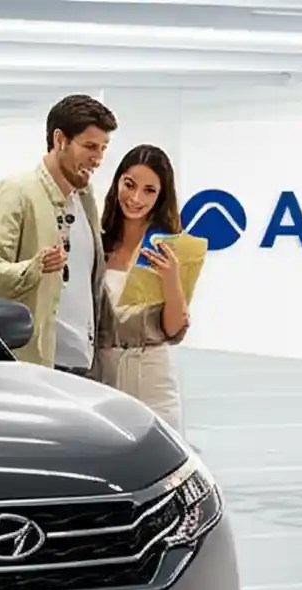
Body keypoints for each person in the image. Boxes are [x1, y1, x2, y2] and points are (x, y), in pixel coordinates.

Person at [0, 94, 117, 373]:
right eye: (90, 146)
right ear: (60, 139)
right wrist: (35, 267)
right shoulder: (17, 191)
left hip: (84, 367)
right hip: (39, 367)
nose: (98, 159)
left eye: (103, 148)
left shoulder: (85, 199)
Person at [92, 144, 193, 435]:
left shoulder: (172, 247)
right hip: (103, 374)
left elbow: (174, 329)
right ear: (118, 183)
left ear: (161, 196)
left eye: (149, 190)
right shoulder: (96, 242)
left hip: (153, 376)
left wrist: (171, 278)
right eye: (130, 185)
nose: (136, 198)